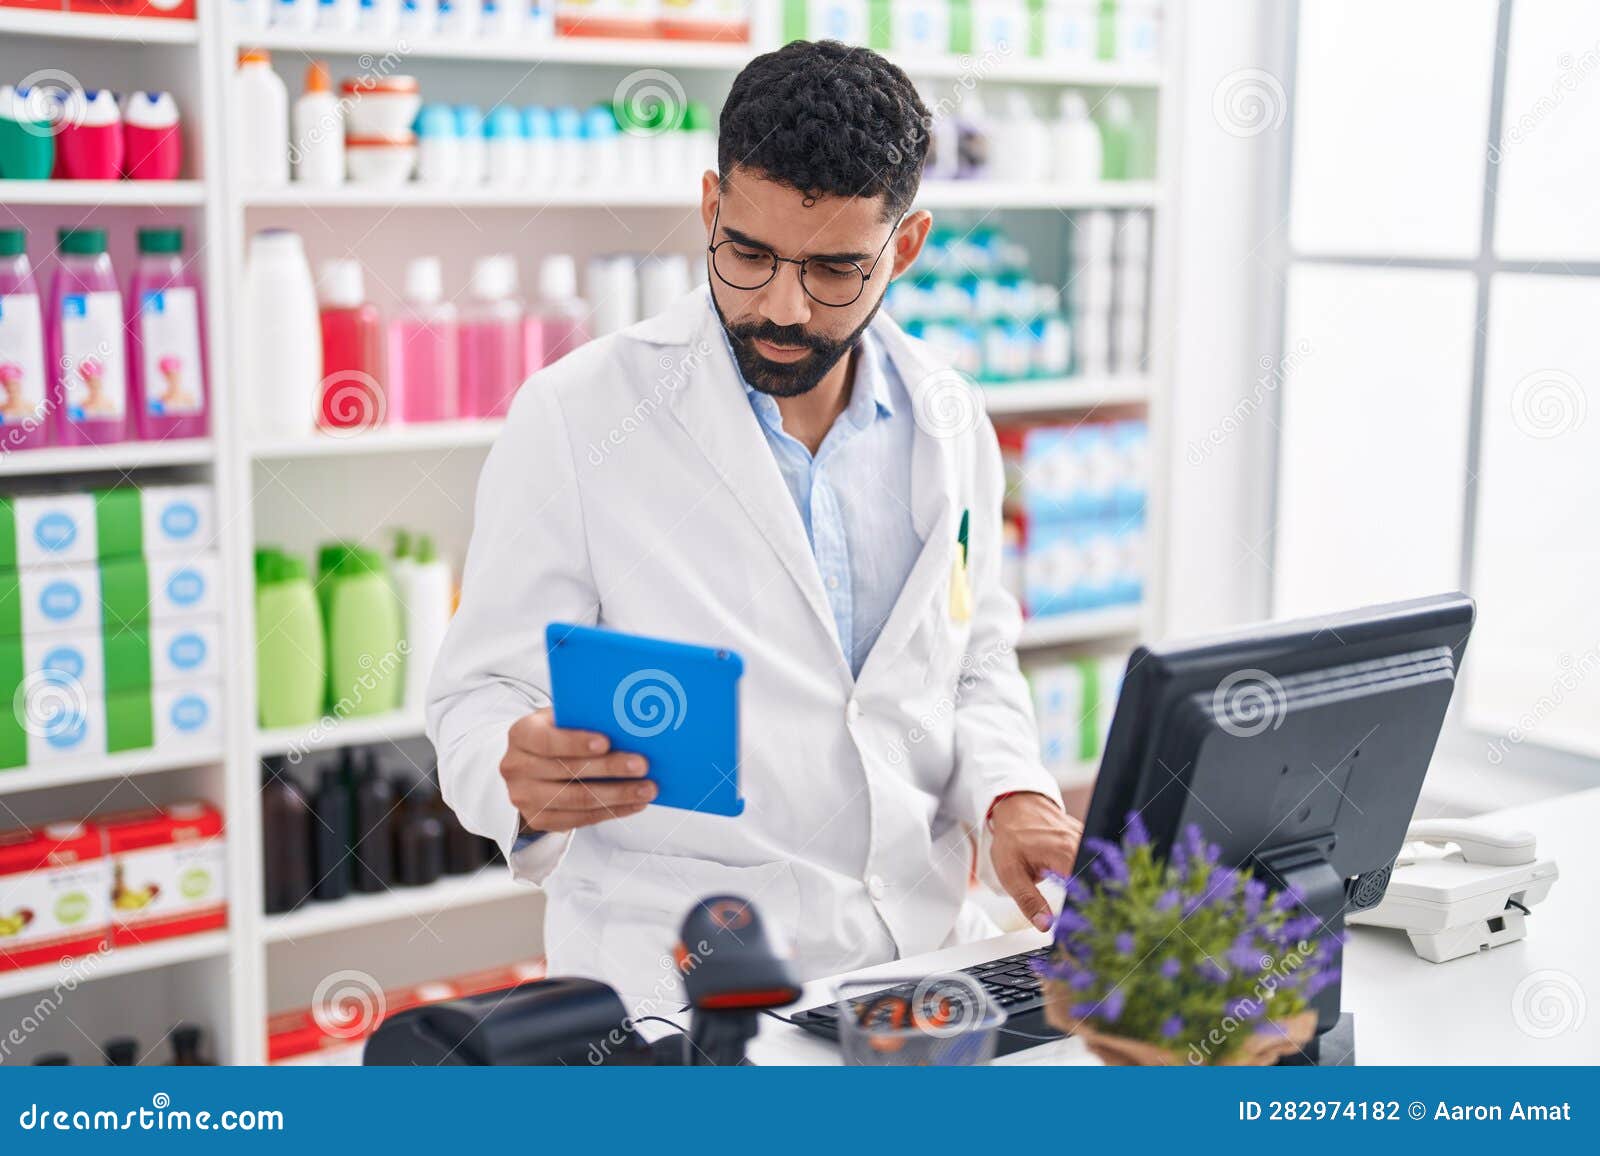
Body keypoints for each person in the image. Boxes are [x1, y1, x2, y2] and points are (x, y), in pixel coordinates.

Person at [427, 39, 1083, 1004]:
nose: (781, 307)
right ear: (710, 208)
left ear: (904, 247)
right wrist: (511, 769)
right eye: (748, 254)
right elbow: (477, 695)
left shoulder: (948, 415)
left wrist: (1011, 792)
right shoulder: (576, 416)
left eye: (835, 269)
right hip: (681, 990)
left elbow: (973, 656)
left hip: (922, 963)